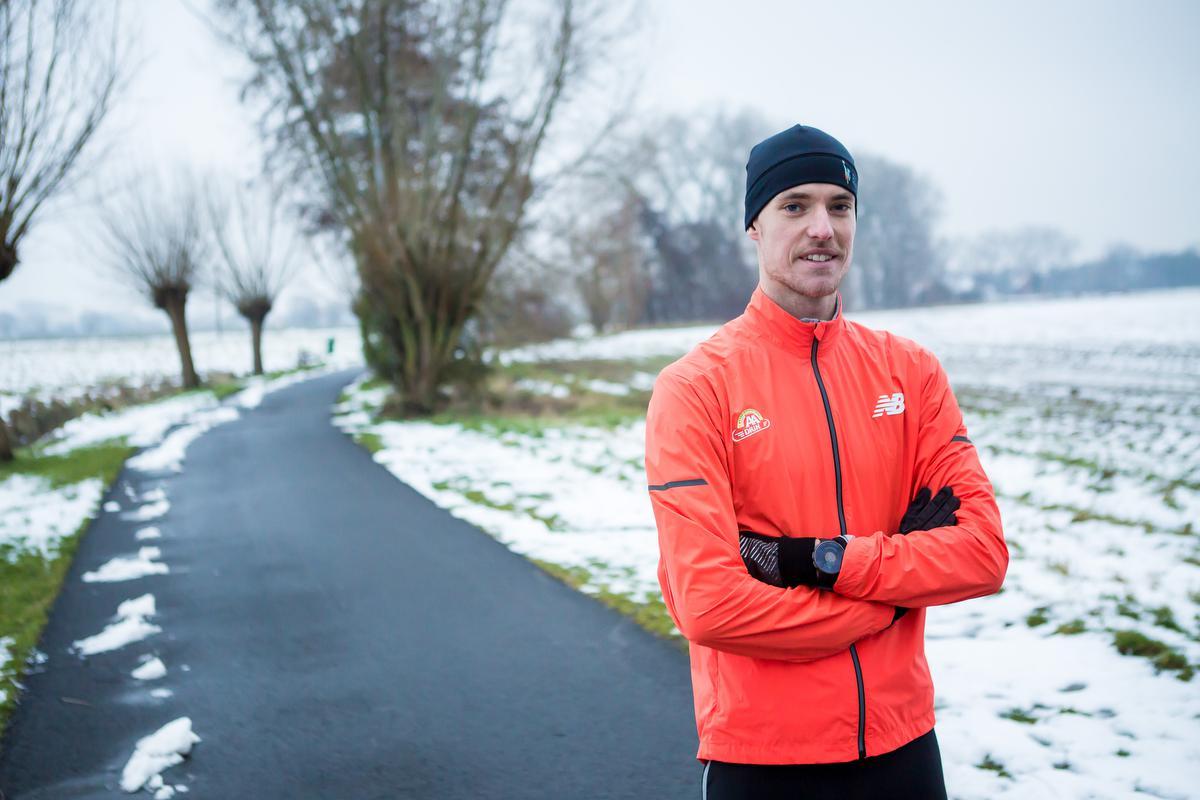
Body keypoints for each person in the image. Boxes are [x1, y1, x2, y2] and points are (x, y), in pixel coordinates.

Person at [644, 124, 1008, 800]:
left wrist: (829, 561)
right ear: (754, 224)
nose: (822, 228)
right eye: (795, 205)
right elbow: (710, 605)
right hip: (765, 761)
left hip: (904, 747)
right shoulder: (695, 389)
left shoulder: (911, 372)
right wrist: (889, 601)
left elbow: (983, 553)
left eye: (840, 206)